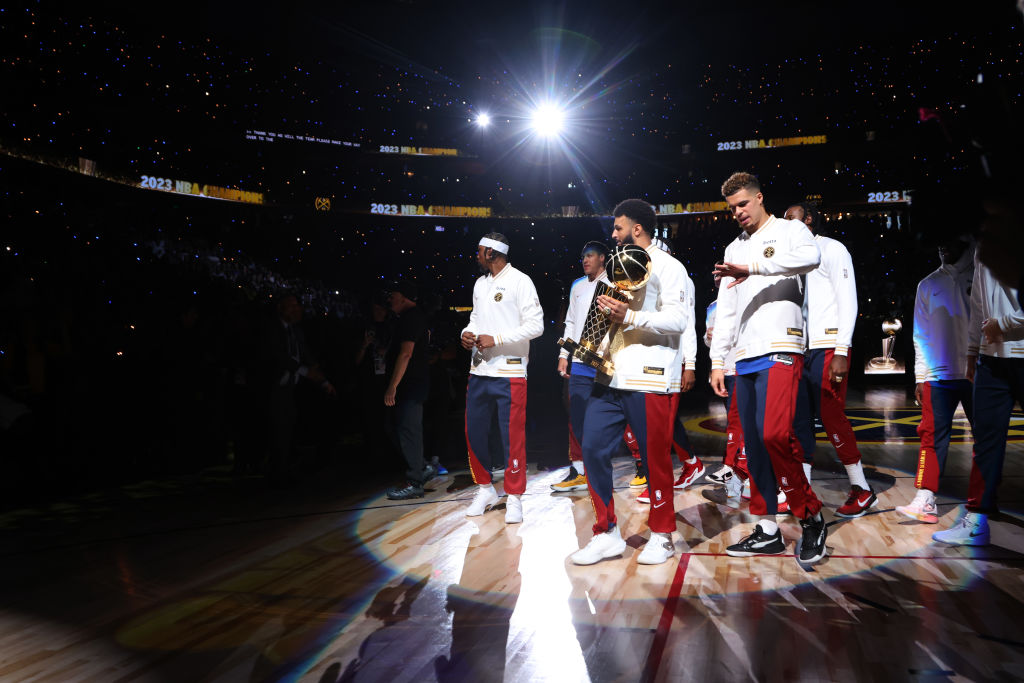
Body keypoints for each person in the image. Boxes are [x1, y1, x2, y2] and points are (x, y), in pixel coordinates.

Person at [709, 172, 828, 565]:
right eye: (732, 208)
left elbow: (811, 258)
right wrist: (717, 361)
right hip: (744, 356)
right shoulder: (731, 248)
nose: (738, 212)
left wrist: (752, 268)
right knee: (754, 445)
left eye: (743, 203)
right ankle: (767, 530)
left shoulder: (792, 230)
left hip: (782, 345)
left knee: (776, 434)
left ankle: (810, 516)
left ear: (760, 198)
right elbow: (726, 311)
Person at [570, 199, 689, 566]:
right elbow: (606, 324)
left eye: (618, 228)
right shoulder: (613, 273)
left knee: (655, 460)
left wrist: (631, 315)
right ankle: (606, 533)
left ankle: (663, 535)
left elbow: (679, 319)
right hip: (611, 376)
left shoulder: (670, 267)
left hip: (650, 378)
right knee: (591, 449)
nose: (613, 235)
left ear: (637, 229)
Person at [784, 202, 874, 517]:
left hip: (828, 346)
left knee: (831, 415)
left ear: (809, 219)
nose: (787, 224)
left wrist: (841, 349)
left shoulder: (832, 249)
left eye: (792, 218)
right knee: (800, 422)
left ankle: (862, 488)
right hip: (801, 349)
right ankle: (804, 491)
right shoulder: (793, 261)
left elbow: (848, 300)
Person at [931, 254, 1024, 545]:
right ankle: (977, 519)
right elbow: (979, 305)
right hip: (991, 357)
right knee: (985, 440)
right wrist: (973, 349)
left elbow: (997, 317)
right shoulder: (984, 244)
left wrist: (1004, 324)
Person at [460, 233, 544, 523]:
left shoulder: (521, 281)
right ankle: (485, 488)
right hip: (479, 369)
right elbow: (475, 319)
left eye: (480, 251)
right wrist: (466, 334)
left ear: (493, 253)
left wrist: (495, 338)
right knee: (474, 432)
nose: (476, 255)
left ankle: (515, 496)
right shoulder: (480, 284)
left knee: (512, 438)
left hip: (509, 371)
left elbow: (536, 326)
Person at [552, 240, 642, 493]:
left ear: (603, 258)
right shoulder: (577, 286)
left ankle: (641, 462)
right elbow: (570, 322)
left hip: (609, 360)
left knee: (619, 415)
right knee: (578, 415)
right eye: (583, 256)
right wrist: (563, 354)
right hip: (580, 360)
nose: (585, 260)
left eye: (590, 255)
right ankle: (584, 470)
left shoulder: (616, 284)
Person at [635, 236, 705, 503]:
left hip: (669, 363)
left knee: (660, 429)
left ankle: (658, 488)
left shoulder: (678, 276)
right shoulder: (642, 275)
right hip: (647, 363)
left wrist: (691, 364)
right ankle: (691, 463)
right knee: (663, 424)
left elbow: (686, 323)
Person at [383, 282, 436, 500]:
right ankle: (421, 467)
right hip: (411, 384)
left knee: (408, 430)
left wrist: (392, 386)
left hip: (411, 385)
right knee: (396, 427)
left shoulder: (412, 317)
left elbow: (406, 353)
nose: (389, 299)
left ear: (405, 297)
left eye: (392, 295)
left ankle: (415, 480)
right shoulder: (410, 318)